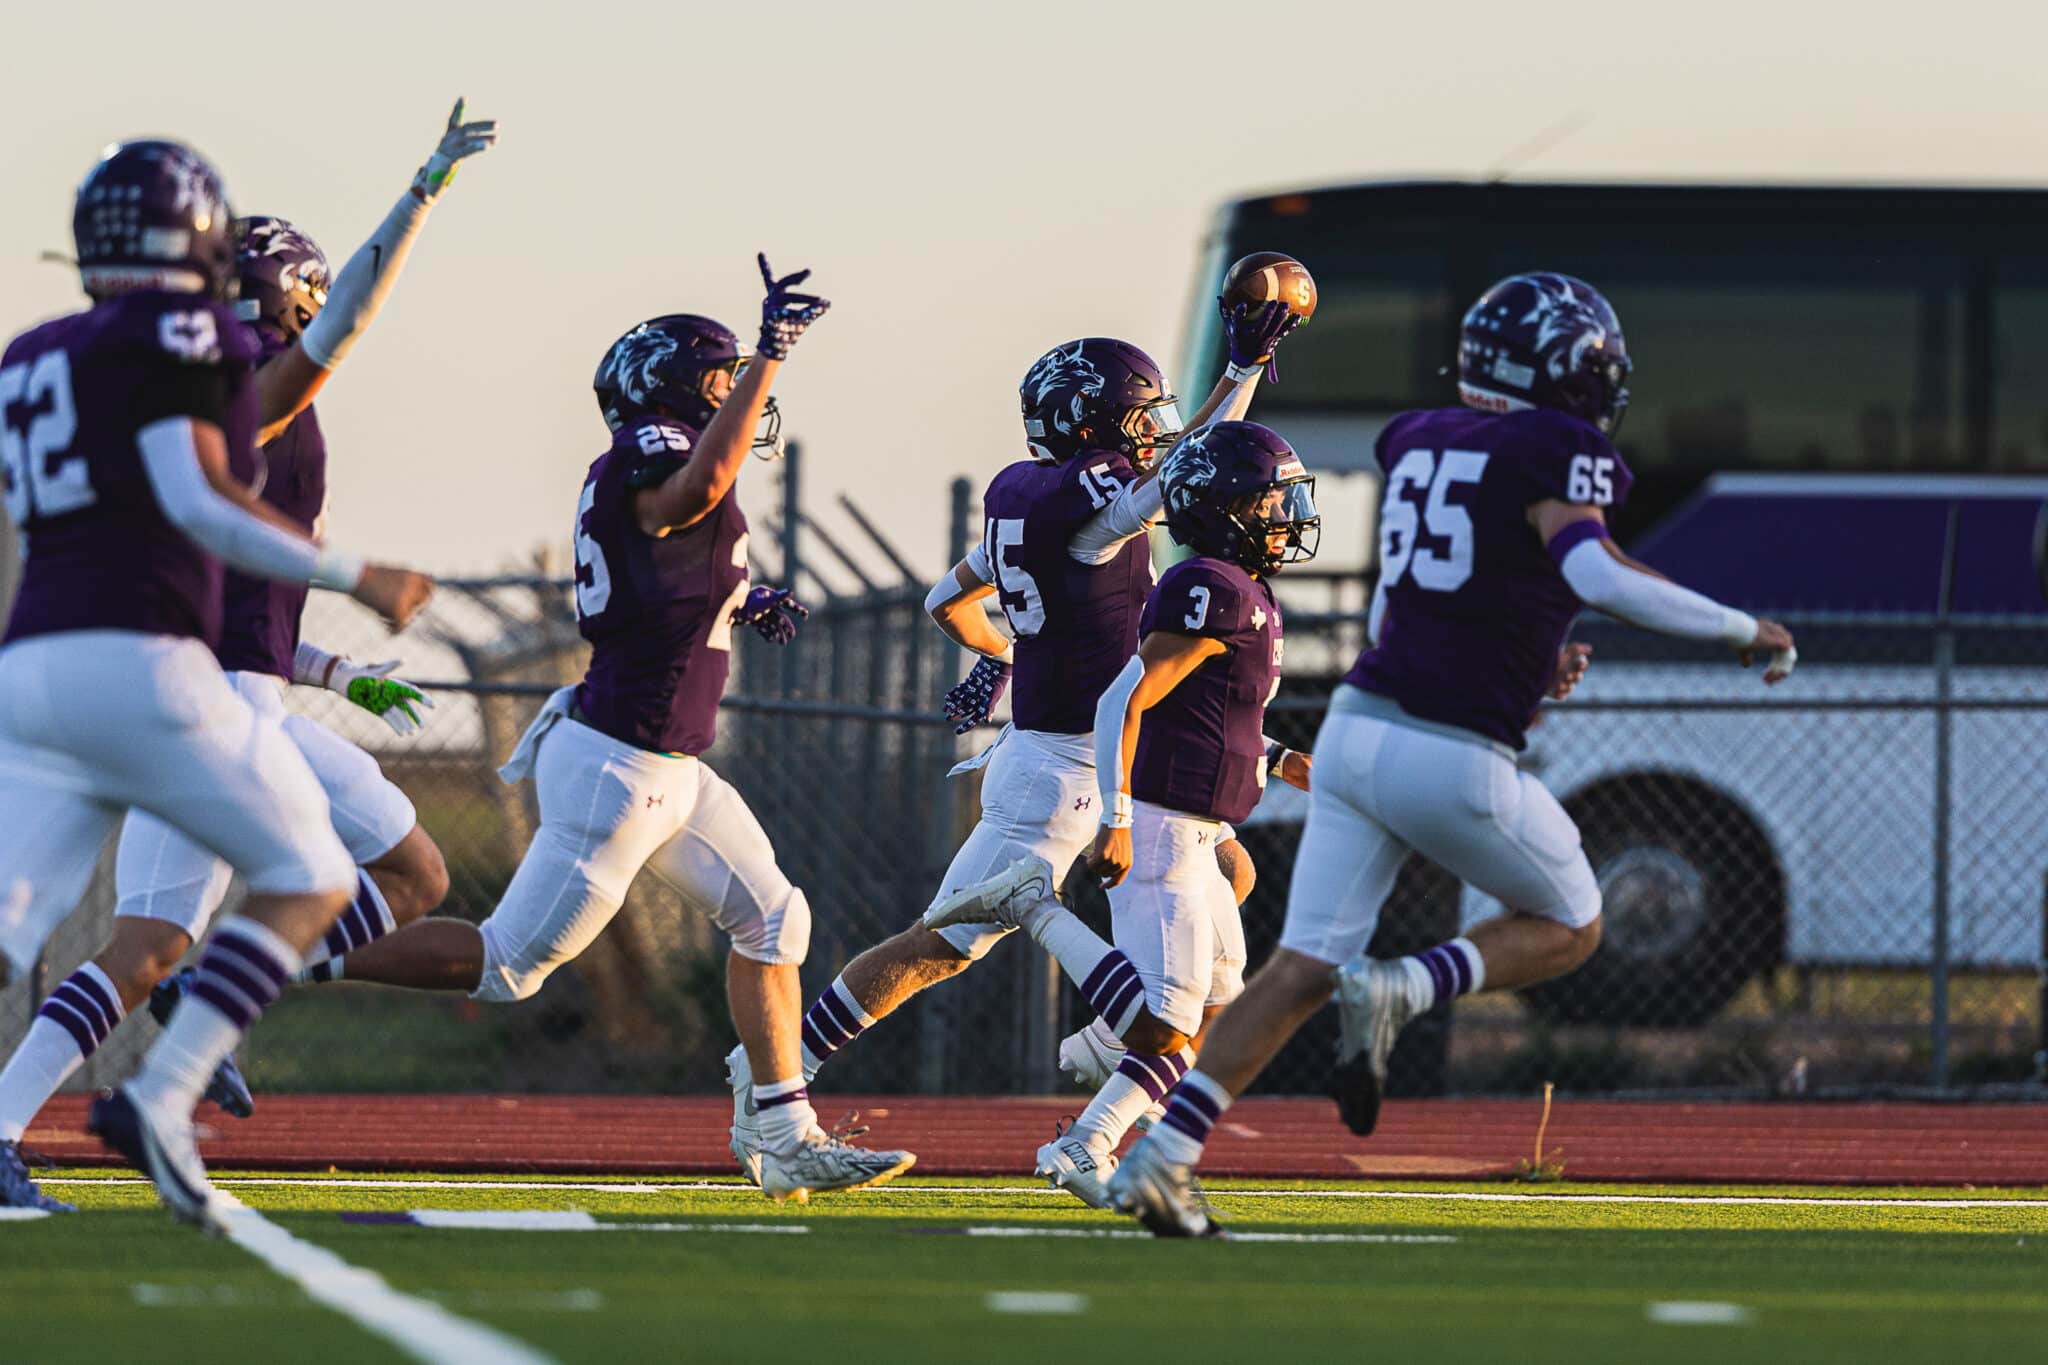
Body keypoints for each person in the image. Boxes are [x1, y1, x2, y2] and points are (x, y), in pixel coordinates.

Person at [1106, 272, 1796, 1236]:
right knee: (1576, 921)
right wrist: (1739, 627)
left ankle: (1161, 1159)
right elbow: (1594, 570)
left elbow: (1413, 605)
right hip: (1449, 748)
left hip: (1358, 728)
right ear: (1567, 369)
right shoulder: (1555, 447)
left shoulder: (1422, 436)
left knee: (1300, 967)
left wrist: (1532, 660)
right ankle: (1405, 987)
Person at [302, 259, 916, 1203]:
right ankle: (296, 948)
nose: (735, 394)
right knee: (507, 966)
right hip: (619, 767)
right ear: (675, 386)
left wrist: (744, 598)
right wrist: (769, 357)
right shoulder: (653, 449)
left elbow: (666, 573)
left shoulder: (655, 455)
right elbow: (690, 496)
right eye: (721, 377)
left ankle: (784, 1130)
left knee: (774, 918)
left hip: (668, 764)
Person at [723, 302, 1304, 1184]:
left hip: (1082, 750)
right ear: (1089, 422)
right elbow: (1185, 471)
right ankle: (777, 1066)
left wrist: (1003, 656)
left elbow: (945, 601)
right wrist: (1244, 368)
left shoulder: (1025, 498)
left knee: (1230, 870)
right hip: (1069, 765)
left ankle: (1107, 1036)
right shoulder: (1095, 504)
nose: (1153, 435)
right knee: (942, 943)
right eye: (1138, 418)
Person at [0, 185, 491, 1194]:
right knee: (141, 946)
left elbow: (239, 599)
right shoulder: (234, 387)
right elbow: (339, 331)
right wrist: (415, 202)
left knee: (409, 872)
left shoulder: (91, 368)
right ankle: (40, 1114)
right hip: (192, 700)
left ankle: (195, 1007)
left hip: (195, 682)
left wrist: (336, 672)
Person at [930, 420, 1318, 1206]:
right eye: (1272, 503)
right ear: (1228, 509)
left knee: (1217, 1007)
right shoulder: (1208, 588)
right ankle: (1083, 1138)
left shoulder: (1241, 589)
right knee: (1167, 1025)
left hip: (1197, 827)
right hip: (1164, 827)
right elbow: (1123, 701)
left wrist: (1280, 760)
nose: (1289, 517)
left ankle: (1109, 1052)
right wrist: (1115, 815)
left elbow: (1212, 715)